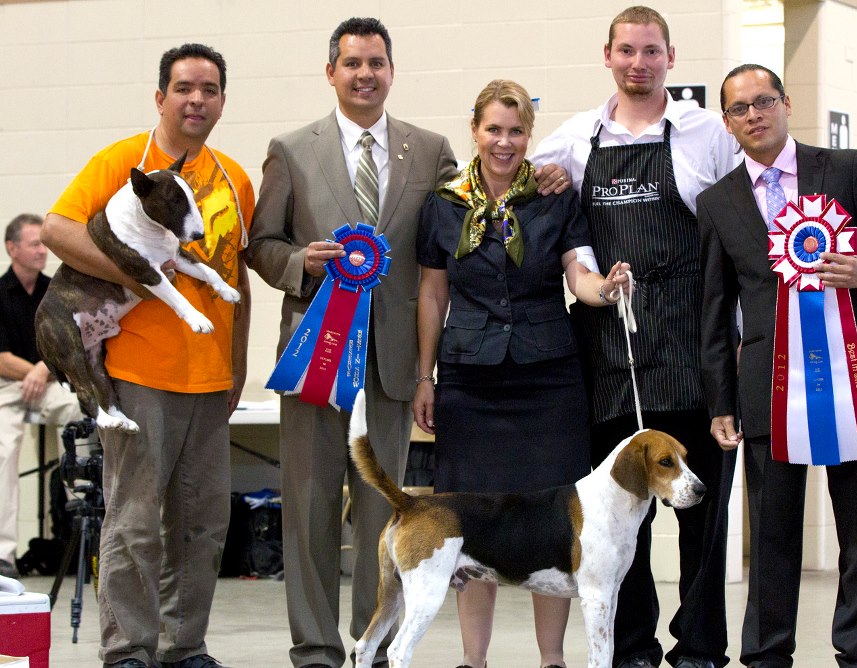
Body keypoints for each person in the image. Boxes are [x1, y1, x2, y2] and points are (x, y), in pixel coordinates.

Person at [245, 17, 458, 668]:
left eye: (377, 62)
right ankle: (314, 649)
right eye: (352, 63)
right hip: (316, 356)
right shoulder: (290, 148)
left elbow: (458, 231)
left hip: (392, 365)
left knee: (384, 518)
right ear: (330, 72)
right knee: (308, 511)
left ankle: (378, 645)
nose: (365, 74)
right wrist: (296, 263)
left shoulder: (430, 149)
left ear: (392, 70)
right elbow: (260, 244)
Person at [531, 7, 740, 668]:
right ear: (608, 55)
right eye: (627, 51)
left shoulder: (709, 134)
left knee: (703, 516)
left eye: (651, 52)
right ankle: (631, 649)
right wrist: (547, 180)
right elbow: (522, 183)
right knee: (622, 520)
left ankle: (700, 648)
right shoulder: (571, 139)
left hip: (696, 342)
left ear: (671, 59)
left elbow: (744, 231)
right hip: (611, 349)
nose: (639, 63)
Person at [698, 64, 857, 667]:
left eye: (764, 101)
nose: (754, 114)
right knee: (771, 535)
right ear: (727, 122)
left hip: (854, 380)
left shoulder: (844, 169)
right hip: (765, 391)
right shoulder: (718, 203)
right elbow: (715, 313)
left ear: (786, 103)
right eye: (740, 108)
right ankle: (768, 656)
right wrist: (721, 401)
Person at [42, 43, 254, 668]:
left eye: (210, 89)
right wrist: (133, 276)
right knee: (135, 523)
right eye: (184, 87)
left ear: (221, 101)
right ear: (160, 97)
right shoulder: (122, 162)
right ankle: (129, 650)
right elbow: (57, 229)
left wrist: (236, 367)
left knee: (203, 524)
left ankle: (183, 646)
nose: (197, 99)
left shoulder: (234, 177)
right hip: (137, 374)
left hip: (210, 379)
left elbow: (233, 276)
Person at [414, 79, 631, 668]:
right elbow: (432, 295)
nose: (504, 142)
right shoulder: (442, 204)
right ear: (475, 130)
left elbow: (577, 273)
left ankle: (552, 661)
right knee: (471, 521)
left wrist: (603, 290)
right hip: (469, 379)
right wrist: (424, 376)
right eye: (493, 130)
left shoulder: (556, 196)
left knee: (553, 525)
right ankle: (473, 660)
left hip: (548, 381)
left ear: (529, 136)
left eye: (516, 131)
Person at [0, 213, 82, 580]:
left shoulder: (56, 290)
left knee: (82, 415)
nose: (41, 251)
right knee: (3, 452)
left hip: (49, 382)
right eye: (34, 244)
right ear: (12, 248)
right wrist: (34, 370)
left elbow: (69, 344)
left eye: (43, 244)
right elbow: (0, 359)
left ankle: (80, 525)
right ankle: (3, 554)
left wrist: (43, 370)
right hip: (8, 387)